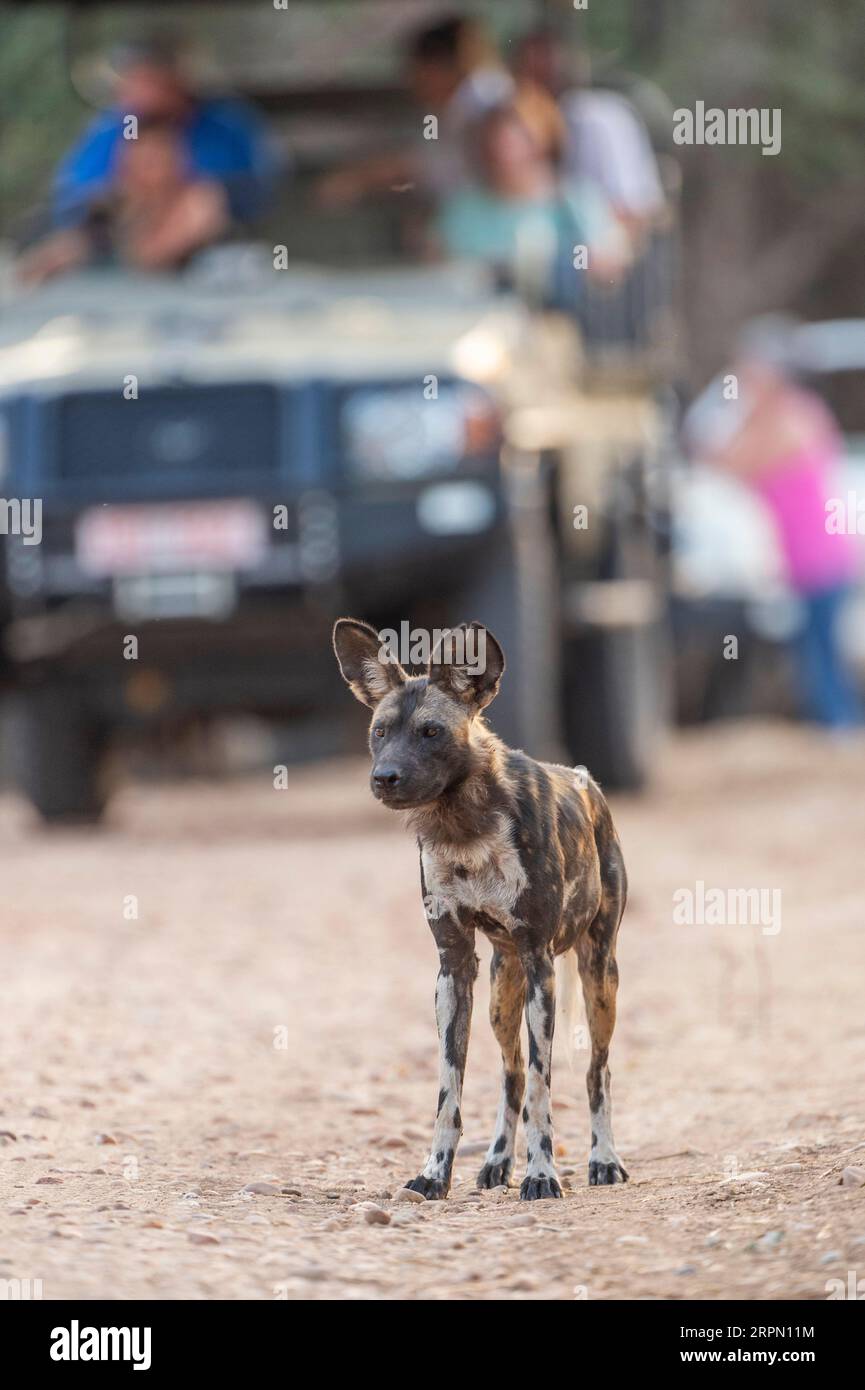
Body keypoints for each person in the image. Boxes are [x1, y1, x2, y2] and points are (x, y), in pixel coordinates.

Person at [709, 320, 861, 729]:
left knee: (820, 658)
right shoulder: (795, 413)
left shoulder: (787, 421)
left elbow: (728, 461)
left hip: (819, 558)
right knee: (818, 654)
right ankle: (839, 727)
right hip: (814, 558)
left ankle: (841, 730)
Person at [52, 36, 277, 233]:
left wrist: (191, 200)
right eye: (135, 82)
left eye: (154, 82)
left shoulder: (225, 127)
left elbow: (256, 192)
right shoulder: (110, 130)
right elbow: (71, 200)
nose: (144, 95)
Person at [435, 103, 628, 292]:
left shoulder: (578, 201)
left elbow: (610, 267)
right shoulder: (463, 208)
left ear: (544, 145)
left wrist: (576, 266)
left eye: (517, 145)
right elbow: (435, 266)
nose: (506, 156)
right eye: (497, 145)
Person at [19, 118, 230, 282]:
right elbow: (67, 248)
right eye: (134, 163)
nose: (142, 174)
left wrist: (138, 214)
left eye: (153, 162)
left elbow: (151, 258)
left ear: (178, 161)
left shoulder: (200, 200)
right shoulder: (113, 204)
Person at [513, 27, 665, 241]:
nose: (537, 83)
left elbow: (632, 212)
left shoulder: (596, 119)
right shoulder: (514, 124)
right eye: (529, 74)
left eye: (545, 72)